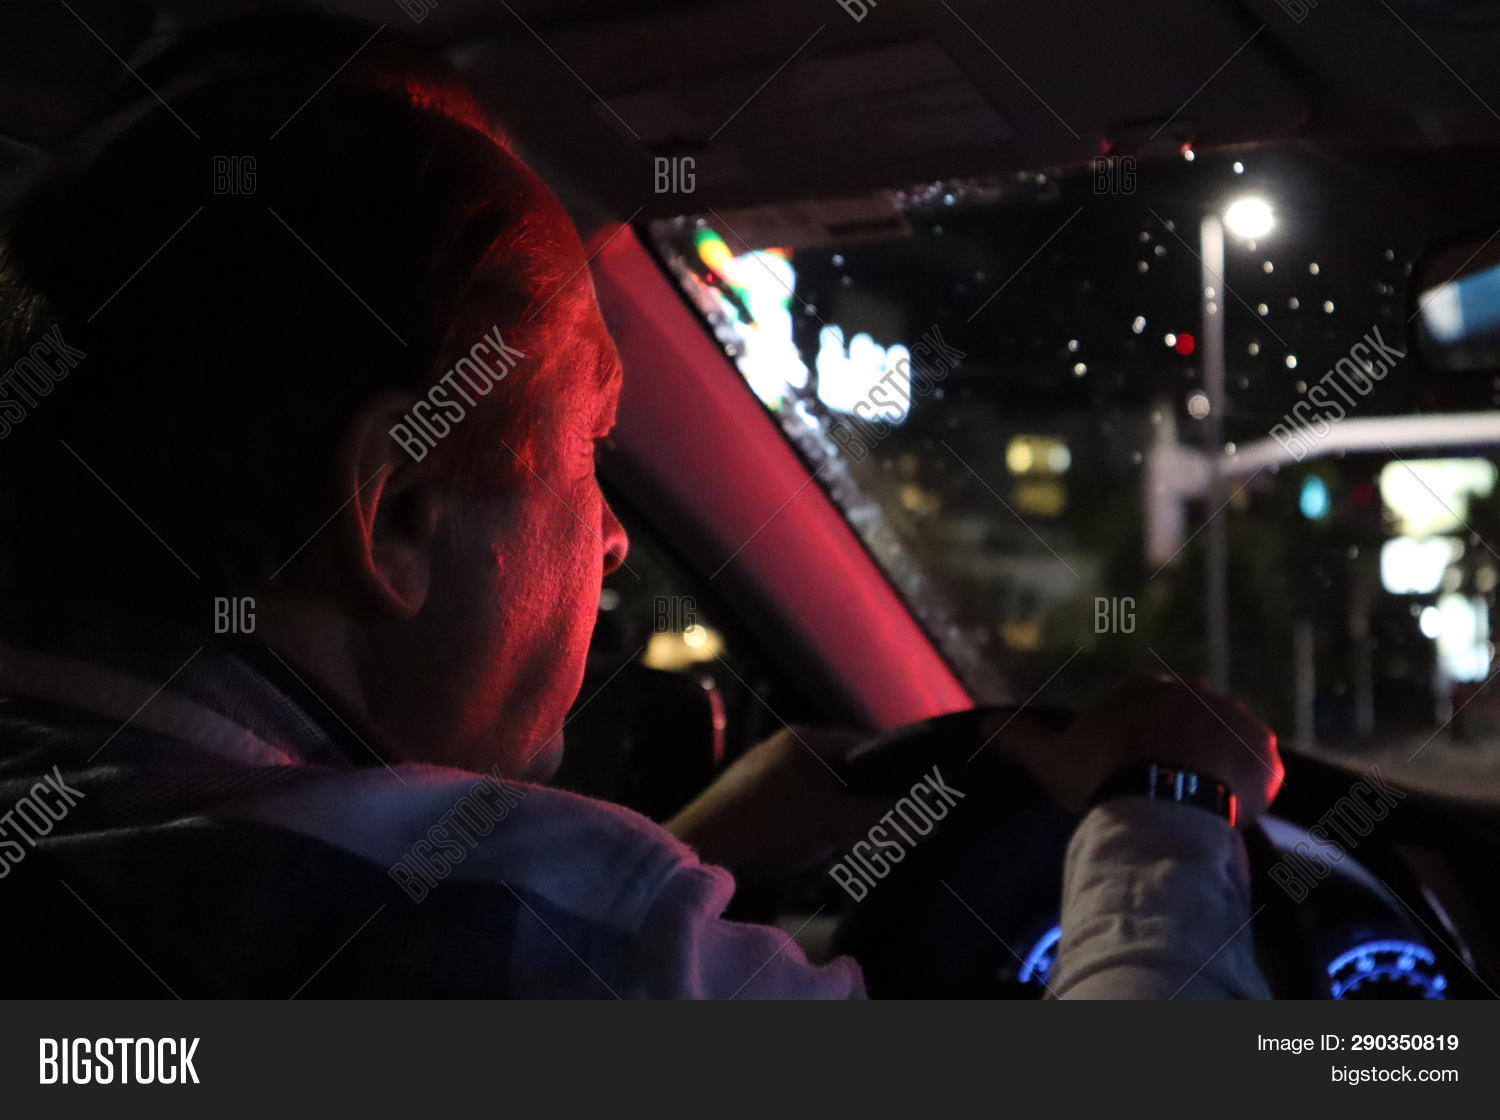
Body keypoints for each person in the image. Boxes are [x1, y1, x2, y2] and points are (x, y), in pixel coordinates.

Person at [0, 16, 1281, 998]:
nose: (613, 533)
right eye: (589, 445)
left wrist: (683, 841)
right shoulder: (539, 928)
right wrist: (1165, 805)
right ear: (396, 511)